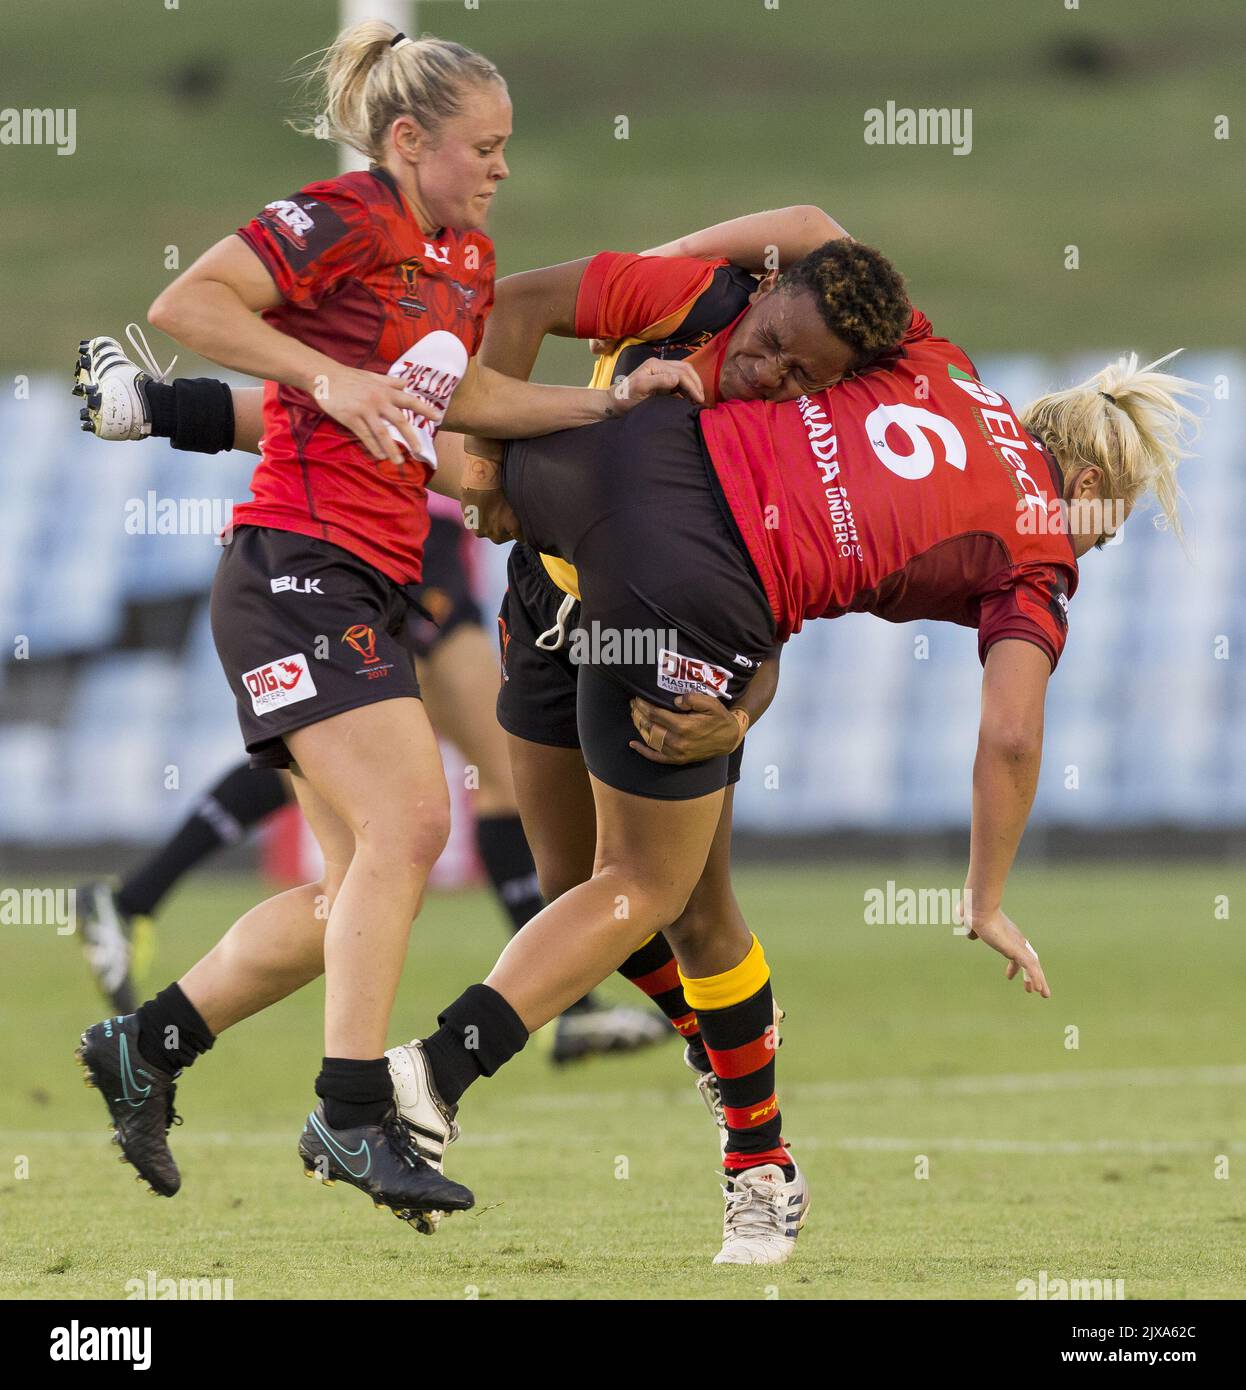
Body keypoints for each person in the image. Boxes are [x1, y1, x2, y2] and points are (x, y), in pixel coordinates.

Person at [389, 323, 1202, 1262]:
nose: (1103, 548)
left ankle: (755, 1165)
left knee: (674, 904)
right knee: (586, 888)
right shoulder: (1034, 542)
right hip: (613, 569)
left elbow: (777, 536)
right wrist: (984, 895)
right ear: (1091, 487)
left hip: (649, 580)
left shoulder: (935, 369)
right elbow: (1010, 730)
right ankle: (723, 1034)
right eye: (1120, 518)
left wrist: (737, 712)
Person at [74, 20, 700, 1229]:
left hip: (364, 573)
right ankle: (352, 1113)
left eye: (508, 147)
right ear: (409, 140)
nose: (502, 168)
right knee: (414, 825)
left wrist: (607, 401)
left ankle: (143, 1046)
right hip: (292, 564)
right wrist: (321, 376)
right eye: (485, 146)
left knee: (345, 896)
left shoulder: (463, 252)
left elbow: (464, 394)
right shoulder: (344, 215)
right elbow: (187, 299)